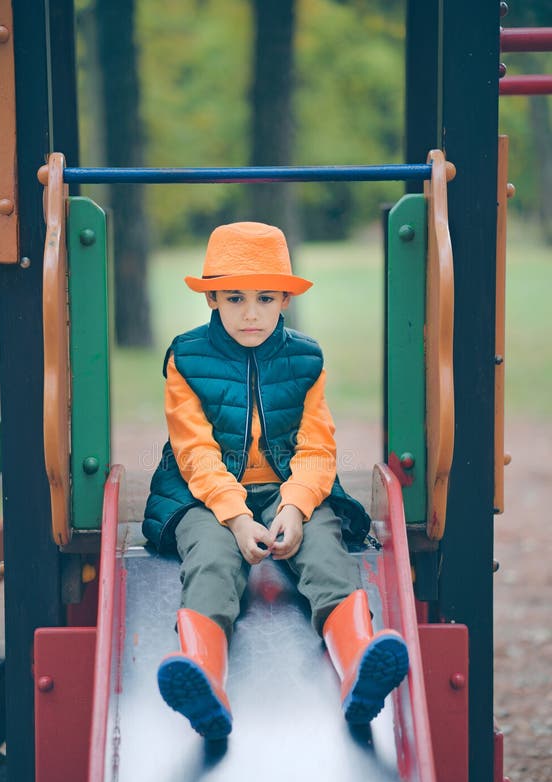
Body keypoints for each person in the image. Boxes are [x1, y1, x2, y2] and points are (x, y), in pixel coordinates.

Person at [142, 221, 409, 740]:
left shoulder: (305, 358)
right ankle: (203, 678)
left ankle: (359, 667)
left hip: (287, 488)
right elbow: (193, 450)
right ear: (212, 298)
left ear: (285, 299)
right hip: (202, 494)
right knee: (213, 555)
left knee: (324, 547)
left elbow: (316, 446)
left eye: (266, 298)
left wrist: (296, 506)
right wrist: (237, 517)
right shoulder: (187, 356)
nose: (250, 313)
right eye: (235, 297)